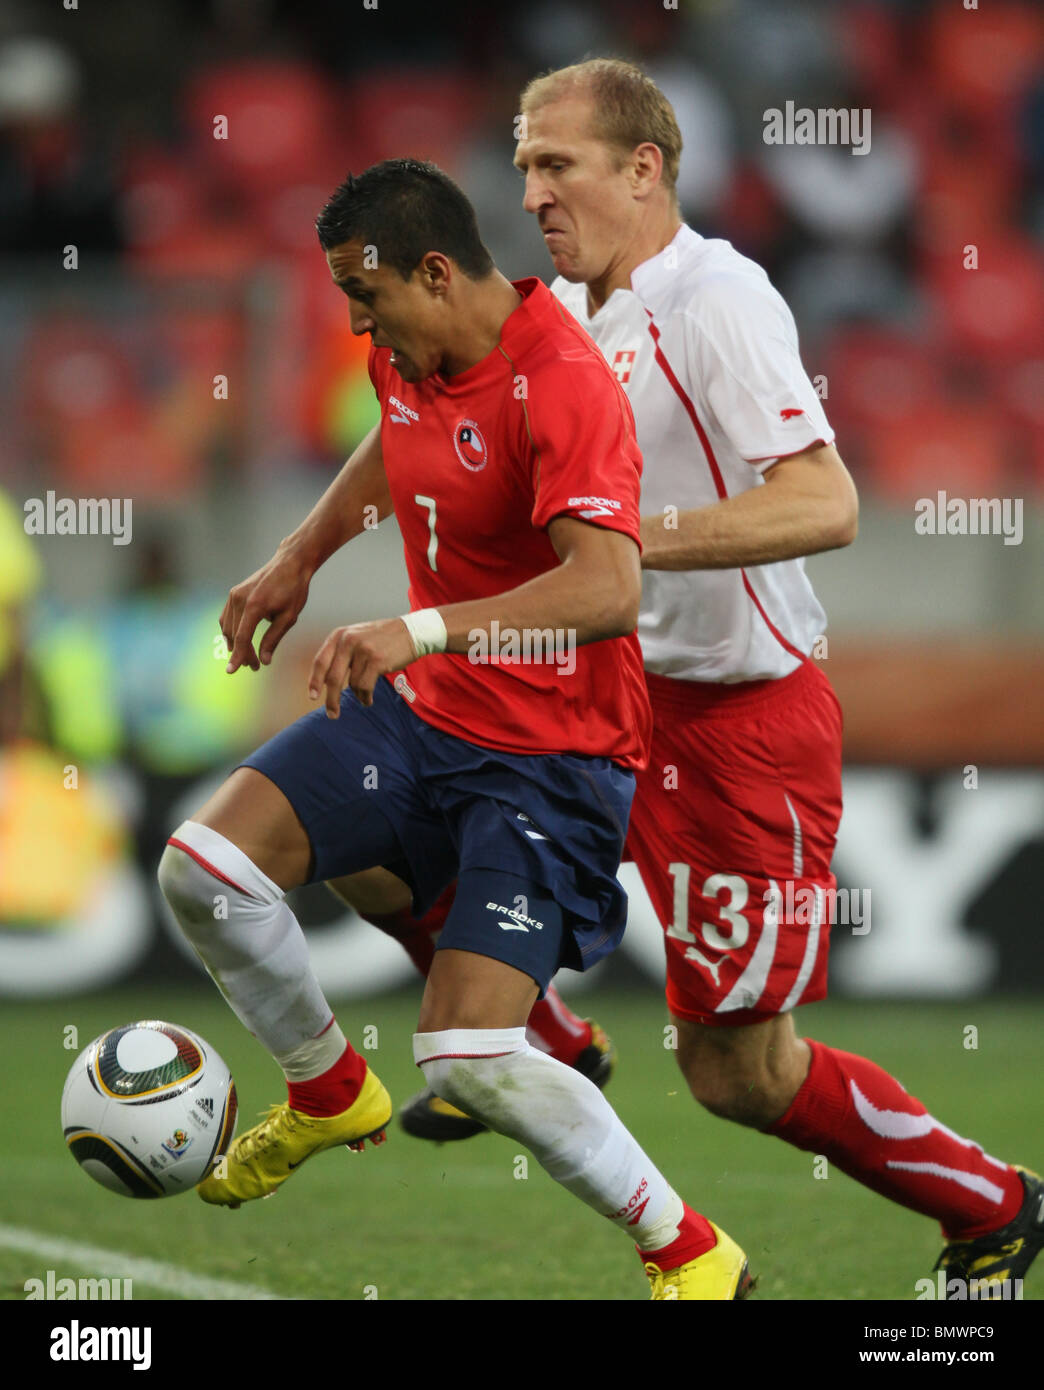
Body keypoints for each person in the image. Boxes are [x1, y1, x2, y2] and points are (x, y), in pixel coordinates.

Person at [359, 60, 1042, 1298]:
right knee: (360, 808)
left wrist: (619, 542)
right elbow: (421, 390)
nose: (533, 190)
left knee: (739, 1074)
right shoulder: (554, 310)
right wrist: (308, 550)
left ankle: (992, 1205)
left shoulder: (719, 300)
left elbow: (825, 500)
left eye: (556, 164)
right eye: (522, 165)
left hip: (735, 723)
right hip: (598, 695)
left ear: (644, 168)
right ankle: (541, 1028)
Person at [158, 157, 751, 1300]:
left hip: (555, 761)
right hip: (430, 719)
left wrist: (419, 627)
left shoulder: (566, 386)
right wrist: (298, 555)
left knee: (468, 1058)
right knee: (204, 871)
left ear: (436, 272)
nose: (353, 319)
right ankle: (330, 1088)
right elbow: (396, 434)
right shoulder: (408, 350)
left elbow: (609, 588)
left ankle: (690, 1251)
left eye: (364, 293)